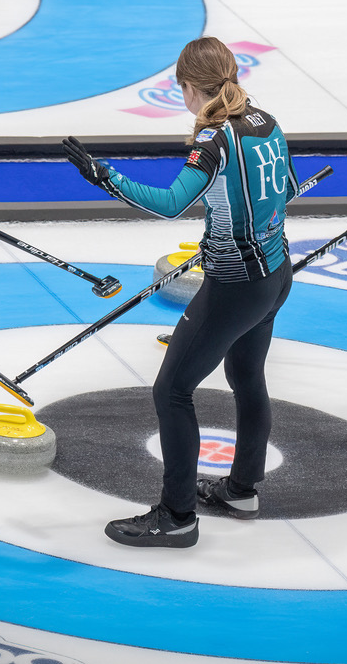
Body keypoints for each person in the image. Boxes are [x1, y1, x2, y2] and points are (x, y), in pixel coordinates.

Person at [62, 36, 298, 548]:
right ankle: (241, 490)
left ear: (191, 89)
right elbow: (289, 188)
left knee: (171, 391)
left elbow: (170, 203)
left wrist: (106, 177)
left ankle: (177, 515)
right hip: (276, 274)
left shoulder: (214, 140)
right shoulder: (267, 122)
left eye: (182, 91)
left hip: (236, 286)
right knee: (246, 378)